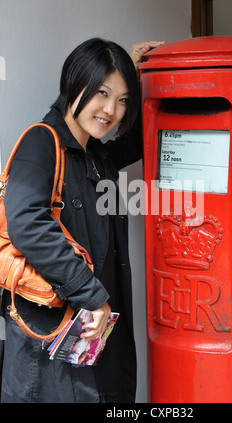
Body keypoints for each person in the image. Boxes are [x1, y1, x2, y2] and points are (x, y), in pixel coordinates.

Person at [0, 38, 164, 403]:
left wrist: (136, 78)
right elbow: (27, 222)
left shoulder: (96, 154)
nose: (111, 110)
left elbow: (137, 138)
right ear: (75, 84)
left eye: (122, 100)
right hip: (46, 344)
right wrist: (91, 296)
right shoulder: (41, 143)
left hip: (88, 337)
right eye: (102, 93)